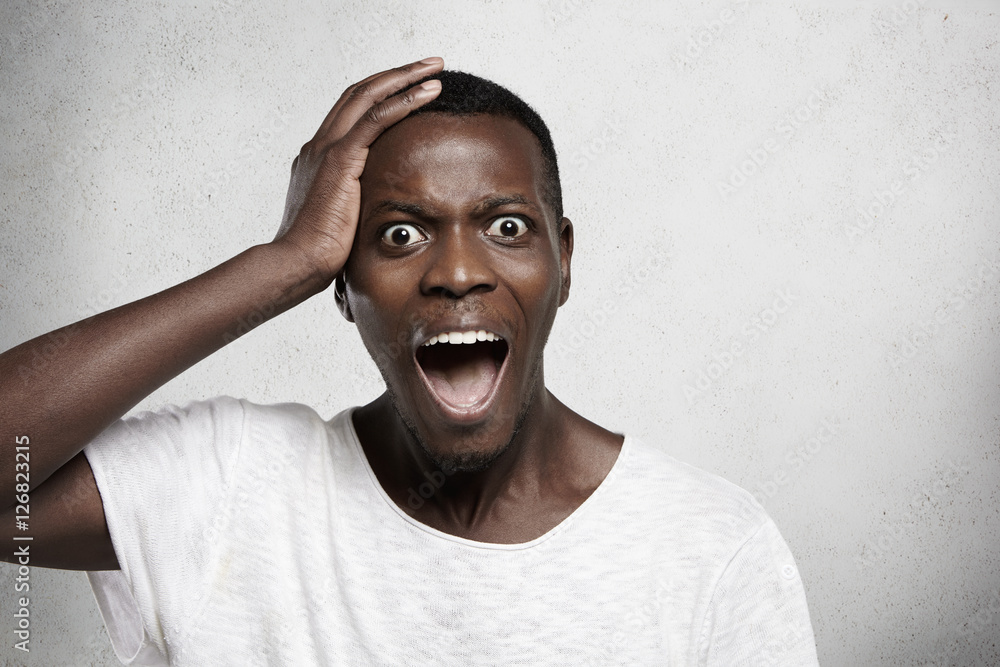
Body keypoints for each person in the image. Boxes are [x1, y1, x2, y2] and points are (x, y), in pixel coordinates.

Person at [1, 57, 819, 665]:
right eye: (399, 234)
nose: (457, 271)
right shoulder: (235, 488)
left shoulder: (711, 548)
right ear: (342, 283)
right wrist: (279, 262)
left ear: (563, 262)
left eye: (505, 226)